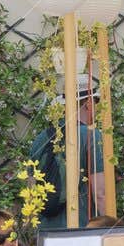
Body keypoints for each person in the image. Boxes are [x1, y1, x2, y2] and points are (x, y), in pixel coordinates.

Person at [31, 74, 110, 228]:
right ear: (88, 103)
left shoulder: (41, 137)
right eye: (96, 103)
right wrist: (114, 228)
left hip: (46, 230)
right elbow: (100, 193)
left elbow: (31, 184)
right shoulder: (91, 135)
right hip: (80, 229)